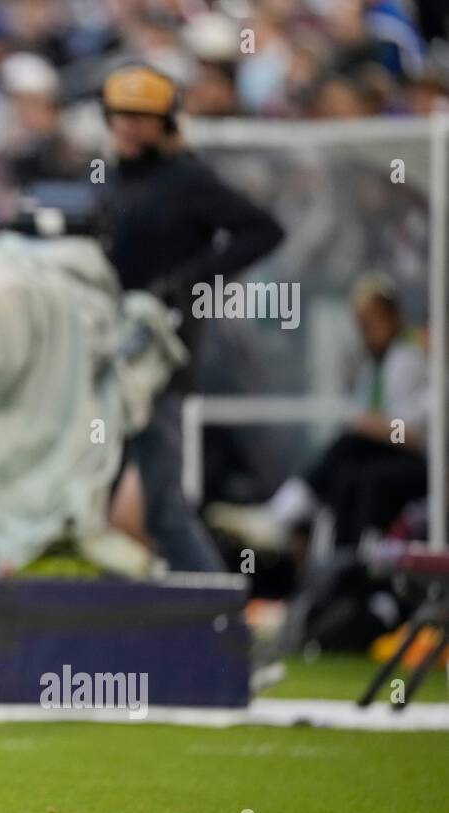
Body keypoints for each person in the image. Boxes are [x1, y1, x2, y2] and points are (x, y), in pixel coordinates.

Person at [100, 62, 284, 572]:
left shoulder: (187, 178)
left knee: (162, 504)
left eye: (142, 116)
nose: (130, 126)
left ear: (165, 122)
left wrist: (194, 280)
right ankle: (93, 619)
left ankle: (219, 613)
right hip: (105, 352)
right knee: (90, 495)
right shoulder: (109, 178)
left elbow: (262, 229)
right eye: (121, 115)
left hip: (162, 354)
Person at [208, 273, 429, 550]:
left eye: (372, 323)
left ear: (392, 317)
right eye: (362, 326)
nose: (367, 334)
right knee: (347, 475)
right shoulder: (372, 369)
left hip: (415, 459)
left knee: (351, 447)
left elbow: (410, 433)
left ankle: (281, 515)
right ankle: (340, 564)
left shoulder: (408, 359)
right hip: (384, 455)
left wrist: (373, 428)